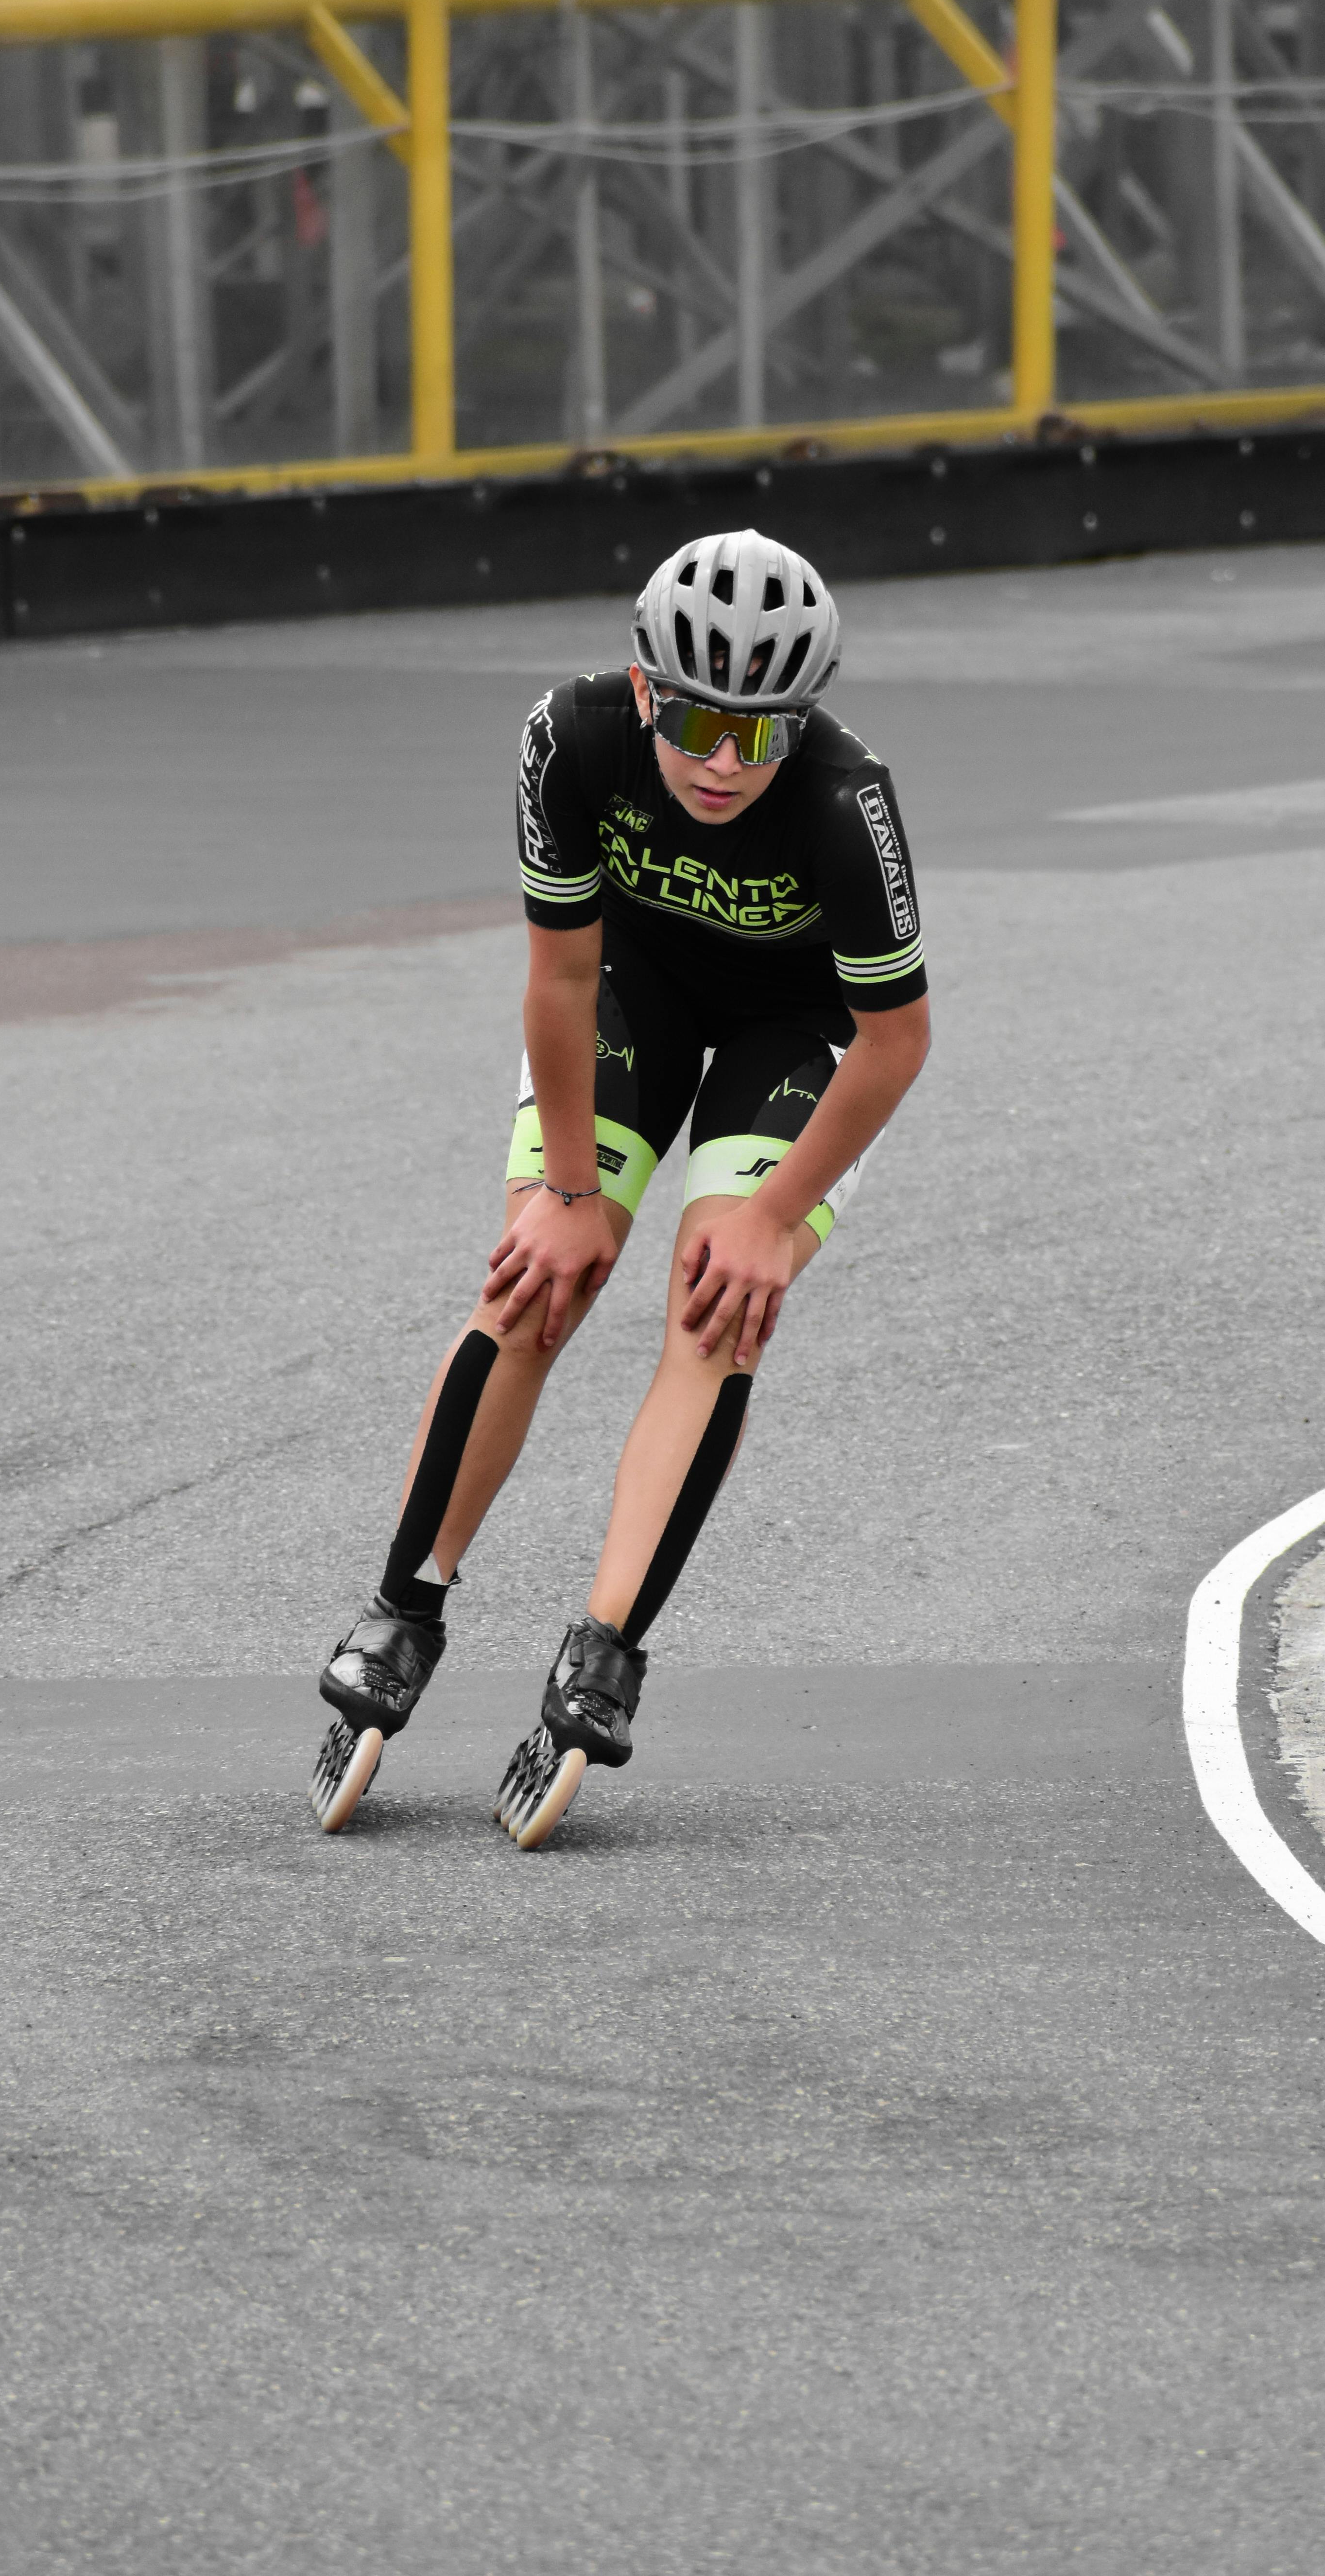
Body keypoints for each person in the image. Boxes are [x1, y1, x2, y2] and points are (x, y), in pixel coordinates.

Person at [310, 526, 931, 1850]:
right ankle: (402, 1609)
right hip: (629, 993)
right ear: (645, 688)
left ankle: (605, 1650)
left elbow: (897, 1042)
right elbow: (556, 975)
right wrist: (570, 1186)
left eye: (760, 733)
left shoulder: (845, 800)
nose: (722, 761)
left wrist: (769, 1221)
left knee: (717, 1311)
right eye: (700, 718)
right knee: (539, 1278)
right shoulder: (570, 737)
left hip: (797, 1031)